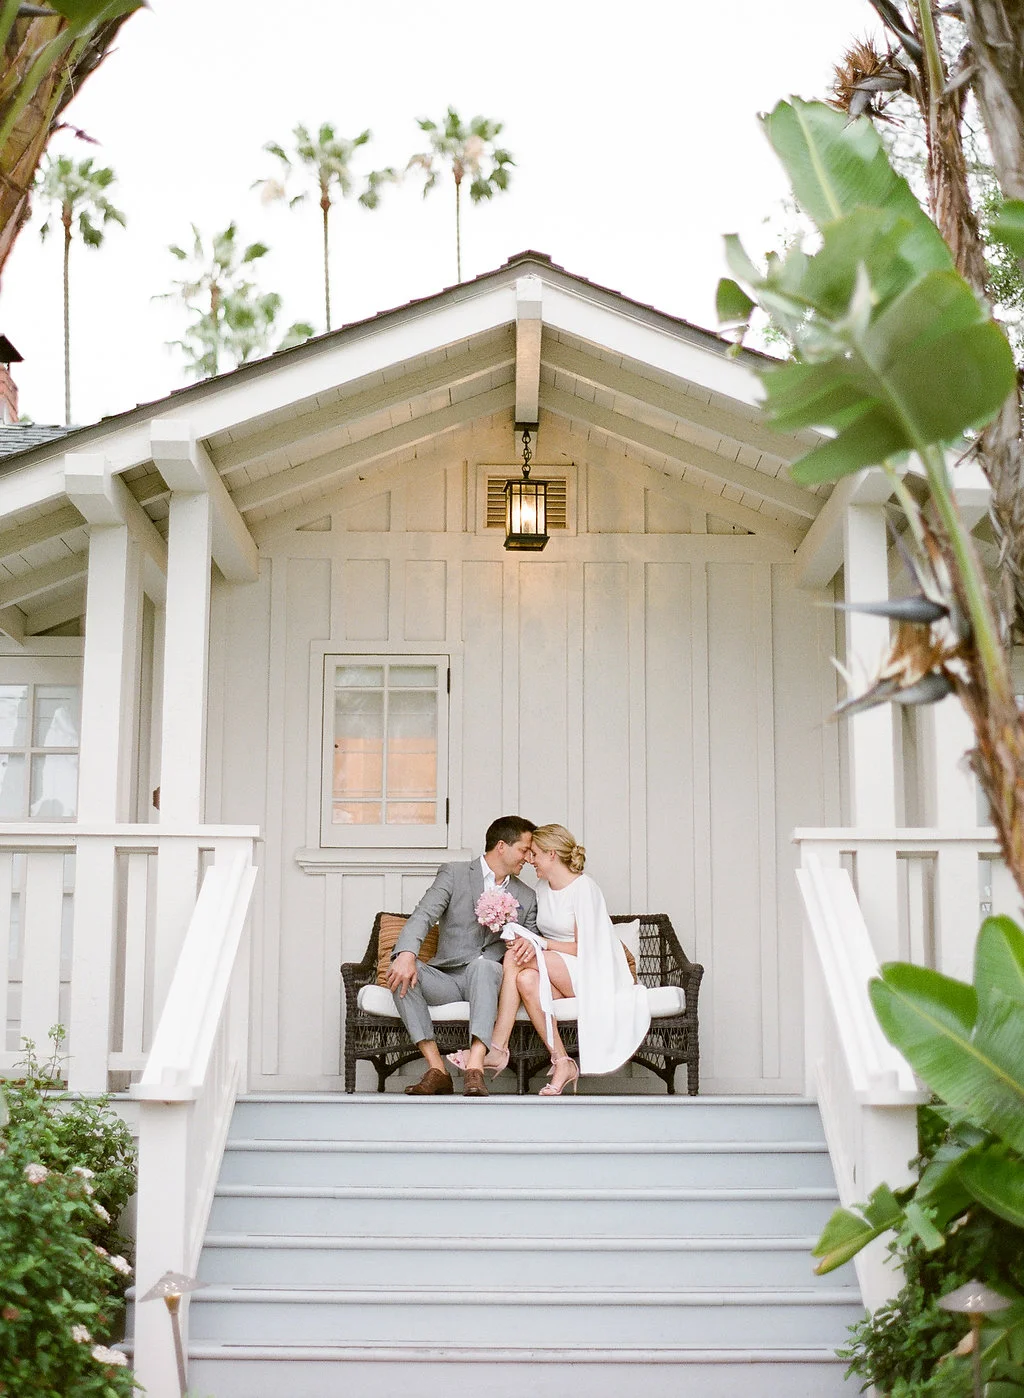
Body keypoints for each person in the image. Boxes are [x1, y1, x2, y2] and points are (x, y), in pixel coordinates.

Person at [451, 824, 650, 1095]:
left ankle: (497, 1047)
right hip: (558, 969)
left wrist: (539, 944)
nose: (530, 860)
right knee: (526, 979)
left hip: (591, 971)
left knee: (516, 959)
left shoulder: (584, 888)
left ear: (552, 854)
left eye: (534, 854)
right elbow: (537, 936)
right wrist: (521, 937)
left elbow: (584, 949)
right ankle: (562, 1061)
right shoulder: (542, 889)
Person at [387, 815, 538, 1097]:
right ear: (502, 846)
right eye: (524, 850)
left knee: (484, 967)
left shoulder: (526, 896)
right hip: (446, 978)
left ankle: (475, 1067)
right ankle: (437, 1070)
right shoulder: (454, 874)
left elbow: (531, 941)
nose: (528, 858)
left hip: (489, 982)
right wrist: (406, 953)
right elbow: (424, 915)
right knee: (399, 970)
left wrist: (527, 944)